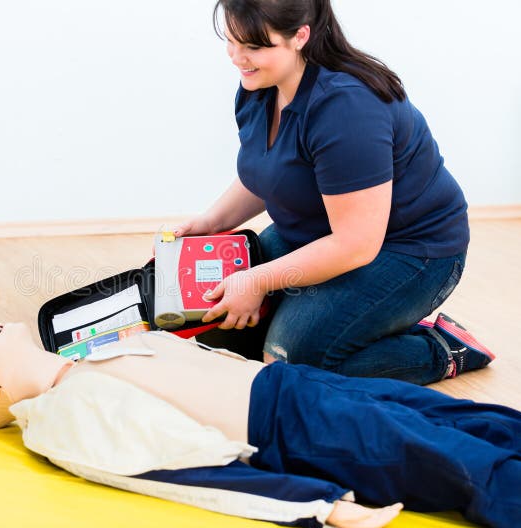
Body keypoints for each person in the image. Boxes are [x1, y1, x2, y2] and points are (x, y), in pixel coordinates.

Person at [0, 321, 521, 528]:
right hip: (294, 427)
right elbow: (176, 476)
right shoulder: (61, 419)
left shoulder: (85, 358)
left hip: (296, 387)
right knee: (461, 460)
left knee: (479, 419)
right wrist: (317, 505)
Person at [174, 0, 486, 385]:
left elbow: (356, 244)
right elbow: (268, 169)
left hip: (409, 249)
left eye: (254, 46)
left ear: (300, 36)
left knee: (291, 363)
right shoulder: (259, 87)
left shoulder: (347, 108)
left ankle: (442, 349)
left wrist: (256, 280)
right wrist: (211, 222)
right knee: (222, 327)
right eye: (232, 42)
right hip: (324, 231)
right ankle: (365, 319)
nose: (238, 58)